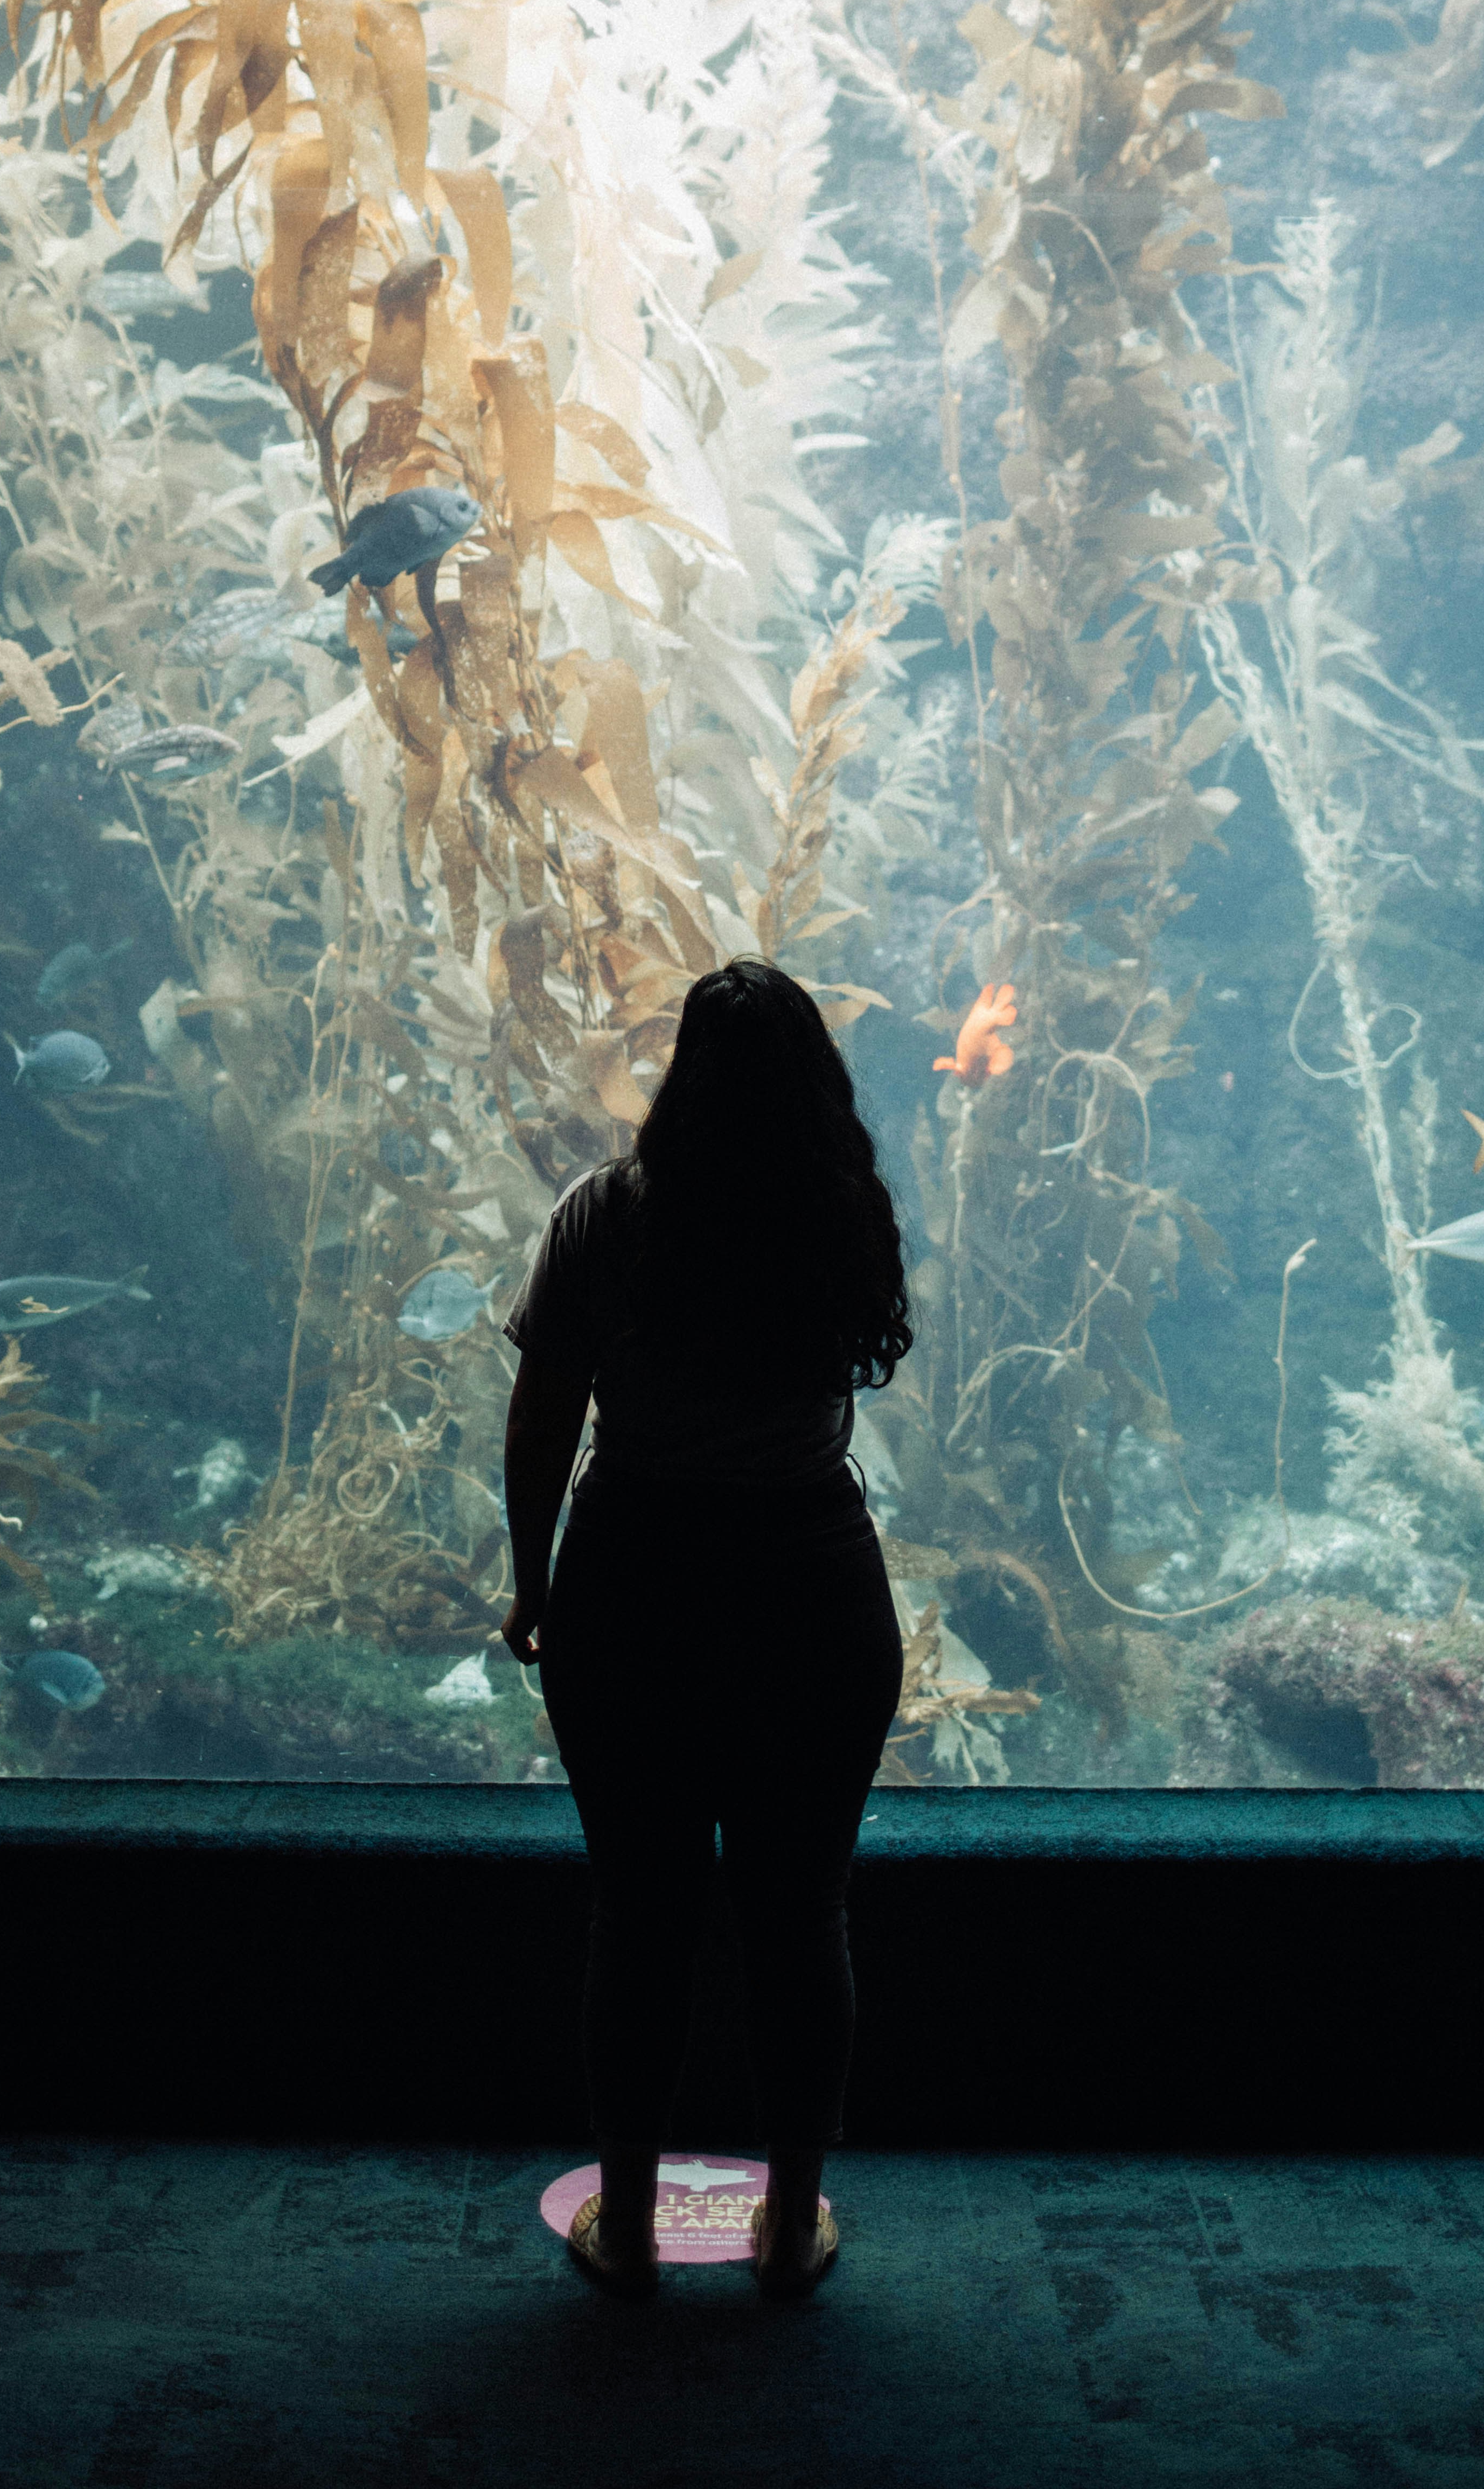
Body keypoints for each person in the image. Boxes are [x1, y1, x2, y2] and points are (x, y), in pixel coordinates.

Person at [499, 958, 912, 2300]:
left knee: (644, 1909)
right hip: (811, 1582)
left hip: (639, 1582)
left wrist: (531, 1578)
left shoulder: (606, 1215)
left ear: (680, 1073)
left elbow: (544, 1415)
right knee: (802, 1912)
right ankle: (788, 2225)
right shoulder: (843, 1213)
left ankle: (628, 2219)